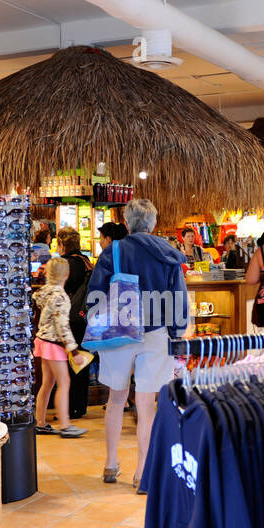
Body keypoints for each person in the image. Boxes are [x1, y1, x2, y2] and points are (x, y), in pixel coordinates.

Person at [86, 198, 188, 491]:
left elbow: (95, 292)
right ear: (153, 223)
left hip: (120, 332)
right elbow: (178, 298)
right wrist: (177, 332)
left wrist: (96, 319)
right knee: (146, 405)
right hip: (156, 334)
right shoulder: (170, 253)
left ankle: (110, 462)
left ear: (127, 223)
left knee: (116, 400)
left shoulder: (113, 250)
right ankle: (142, 472)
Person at [33, 258, 86, 438]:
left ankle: (40, 421)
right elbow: (63, 326)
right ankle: (65, 424)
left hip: (43, 341)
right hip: (54, 344)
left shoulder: (44, 293)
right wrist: (74, 351)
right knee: (64, 383)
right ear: (67, 275)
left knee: (47, 384)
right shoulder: (61, 297)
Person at [57, 227, 93, 419]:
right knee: (82, 360)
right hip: (84, 316)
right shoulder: (85, 261)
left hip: (70, 317)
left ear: (63, 244)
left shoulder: (67, 264)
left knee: (70, 362)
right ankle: (80, 406)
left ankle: (70, 407)